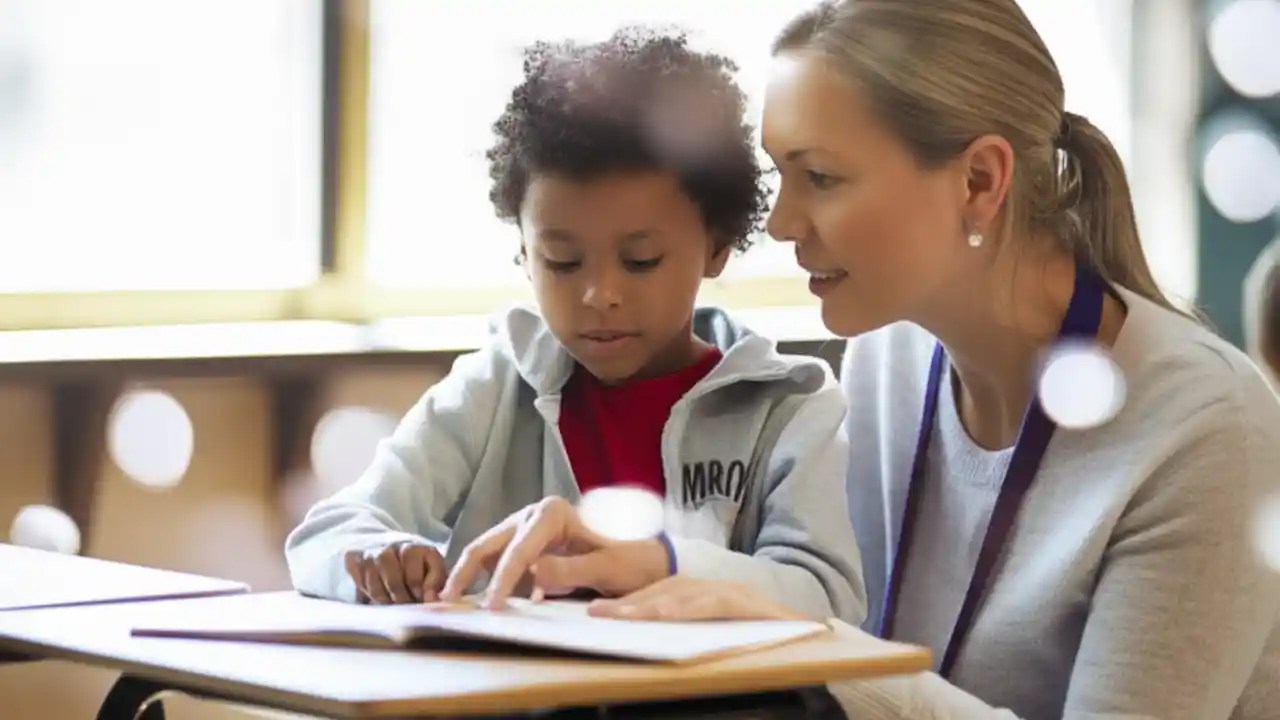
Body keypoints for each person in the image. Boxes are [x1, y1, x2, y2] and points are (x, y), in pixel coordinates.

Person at [448, 2, 1280, 718]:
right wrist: (656, 566)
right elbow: (827, 606)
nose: (781, 225)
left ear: (980, 182)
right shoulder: (891, 353)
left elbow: (844, 659)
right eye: (782, 175)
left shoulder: (1208, 429)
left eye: (821, 177)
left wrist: (813, 651)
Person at [285, 27, 866, 625]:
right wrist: (375, 555)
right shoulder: (494, 387)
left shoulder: (789, 408)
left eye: (641, 261)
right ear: (523, 250)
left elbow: (828, 600)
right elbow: (326, 533)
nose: (600, 295)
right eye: (561, 262)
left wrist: (660, 561)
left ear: (716, 246)